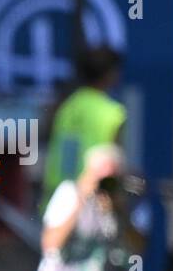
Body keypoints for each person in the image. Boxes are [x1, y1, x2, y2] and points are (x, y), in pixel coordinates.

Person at [42, 47, 126, 209]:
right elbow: (114, 166)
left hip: (55, 203)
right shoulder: (114, 113)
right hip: (92, 206)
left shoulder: (66, 107)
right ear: (111, 73)